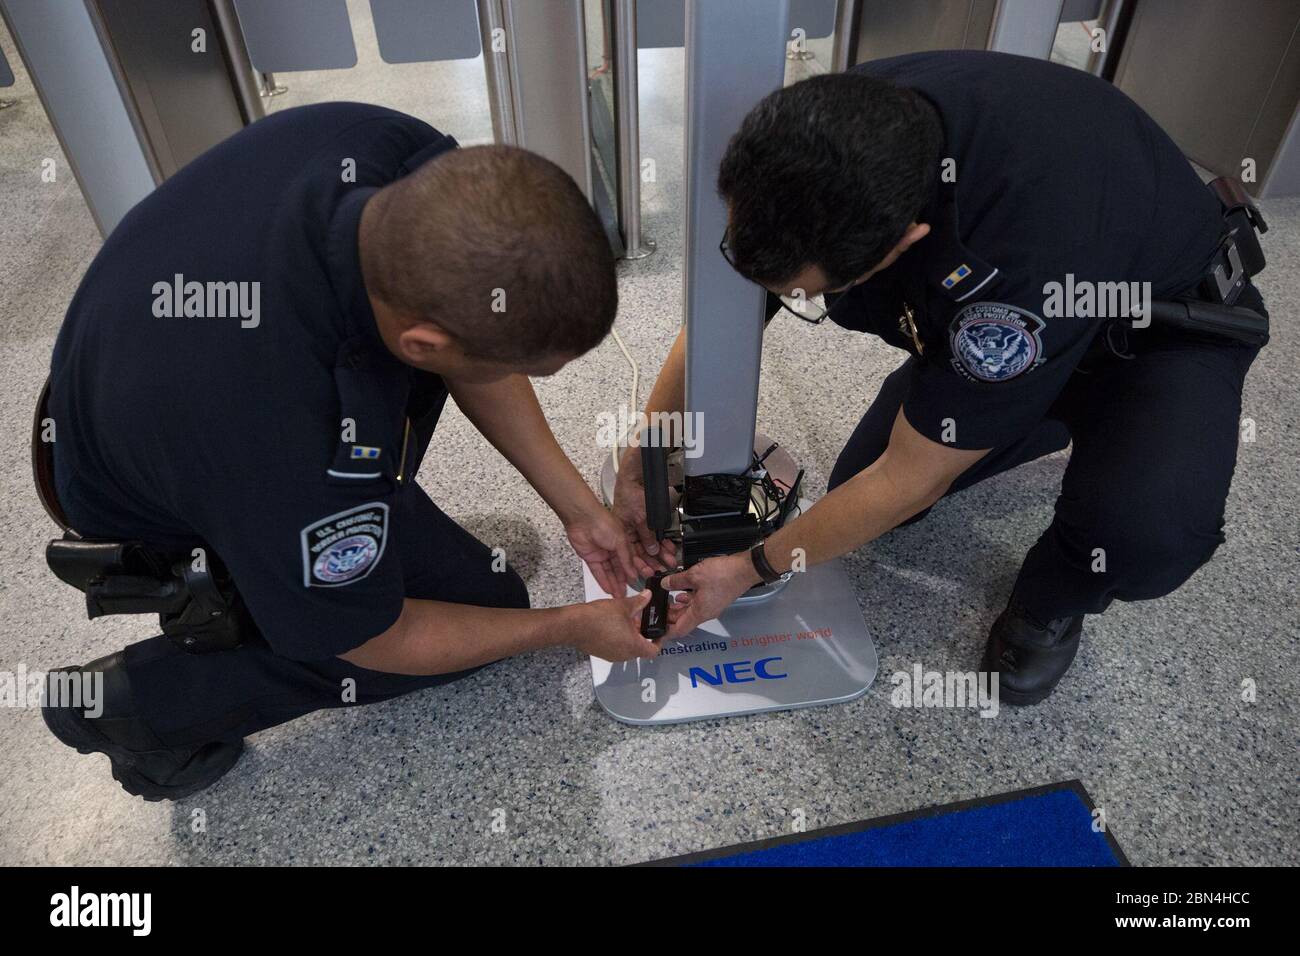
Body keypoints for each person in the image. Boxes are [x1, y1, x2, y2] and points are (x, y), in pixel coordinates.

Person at [41, 102, 665, 801]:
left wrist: (581, 511)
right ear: (423, 345)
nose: (516, 378)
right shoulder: (285, 438)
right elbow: (375, 640)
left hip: (139, 370)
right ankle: (135, 704)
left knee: (483, 597)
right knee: (446, 625)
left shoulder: (395, 157)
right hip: (144, 487)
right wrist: (570, 626)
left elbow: (477, 345)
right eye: (511, 366)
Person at [614, 51, 1267, 706]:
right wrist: (643, 457)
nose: (788, 298)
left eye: (807, 295)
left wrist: (751, 566)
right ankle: (1016, 415)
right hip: (1039, 292)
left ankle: (1053, 596)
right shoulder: (822, 133)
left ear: (904, 243)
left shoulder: (1003, 276)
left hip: (1152, 333)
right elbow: (729, 318)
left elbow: (908, 478)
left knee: (1146, 531)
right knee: (858, 492)